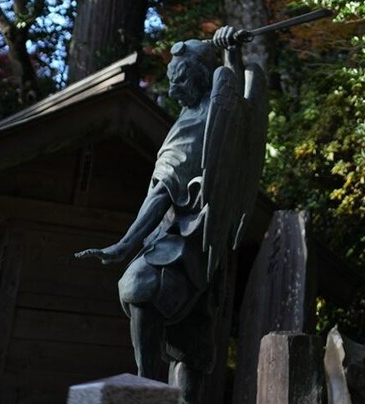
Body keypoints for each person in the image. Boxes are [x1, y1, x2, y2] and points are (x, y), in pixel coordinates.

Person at [76, 25, 247, 404]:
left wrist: (123, 246)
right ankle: (153, 388)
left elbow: (161, 193)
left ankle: (144, 385)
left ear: (201, 79)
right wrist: (231, 57)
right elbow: (233, 97)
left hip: (186, 234)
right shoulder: (197, 115)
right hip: (194, 240)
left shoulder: (200, 119)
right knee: (188, 340)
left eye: (181, 78)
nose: (174, 89)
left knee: (141, 287)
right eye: (172, 80)